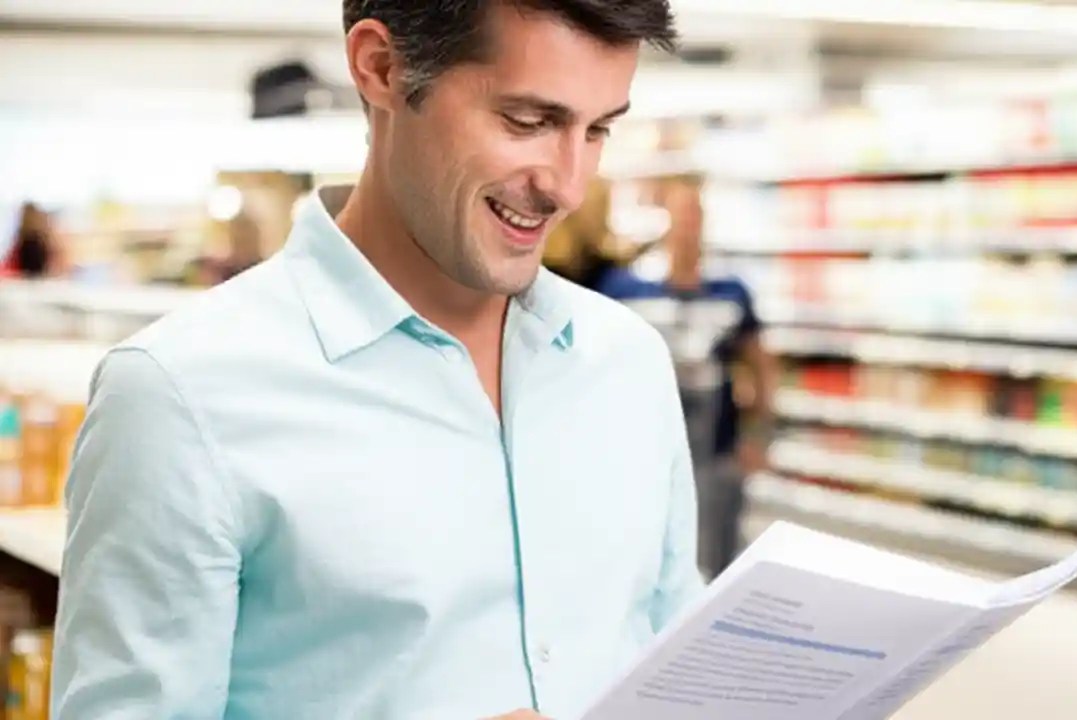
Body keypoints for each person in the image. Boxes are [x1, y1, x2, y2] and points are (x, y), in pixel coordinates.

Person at [51, 3, 697, 719]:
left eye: (599, 130)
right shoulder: (179, 394)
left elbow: (678, 670)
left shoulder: (629, 363)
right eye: (527, 122)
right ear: (382, 68)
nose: (569, 186)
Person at [599, 176, 779, 577]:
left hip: (716, 448)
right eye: (679, 214)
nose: (687, 225)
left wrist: (758, 436)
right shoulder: (626, 289)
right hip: (641, 450)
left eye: (695, 214)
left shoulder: (730, 292)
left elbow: (761, 365)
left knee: (715, 552)